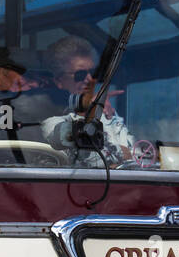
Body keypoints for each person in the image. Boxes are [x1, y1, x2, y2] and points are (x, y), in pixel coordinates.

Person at [38, 34, 135, 164]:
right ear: (59, 81)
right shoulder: (51, 122)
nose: (89, 80)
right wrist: (121, 154)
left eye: (93, 73)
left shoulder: (107, 115)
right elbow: (91, 161)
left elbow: (139, 155)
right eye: (80, 74)